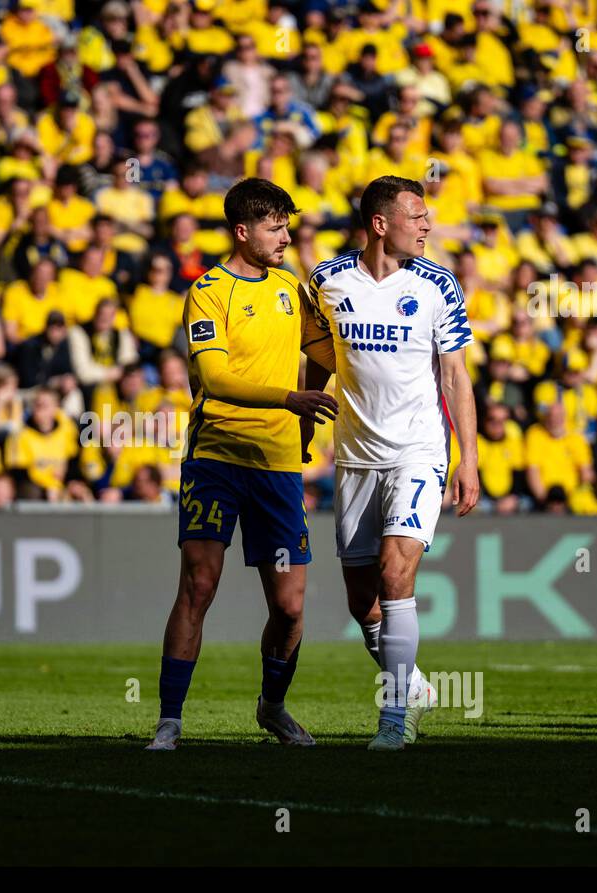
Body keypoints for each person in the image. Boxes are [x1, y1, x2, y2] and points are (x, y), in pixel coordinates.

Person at [147, 178, 338, 752]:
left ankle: (272, 707)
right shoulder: (208, 291)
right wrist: (291, 400)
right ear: (242, 231)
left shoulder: (289, 285)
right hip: (217, 457)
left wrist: (364, 369)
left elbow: (324, 349)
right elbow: (216, 378)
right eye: (275, 226)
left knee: (289, 605)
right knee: (199, 585)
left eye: (287, 224)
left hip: (278, 464)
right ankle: (170, 720)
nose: (286, 235)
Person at [300, 175, 479, 751]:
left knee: (396, 574)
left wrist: (468, 459)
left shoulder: (437, 285)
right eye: (417, 216)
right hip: (354, 455)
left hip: (418, 451)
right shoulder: (327, 281)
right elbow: (319, 360)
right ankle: (414, 684)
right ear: (381, 224)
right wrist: (305, 429)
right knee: (363, 600)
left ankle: (394, 718)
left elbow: (455, 374)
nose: (427, 225)